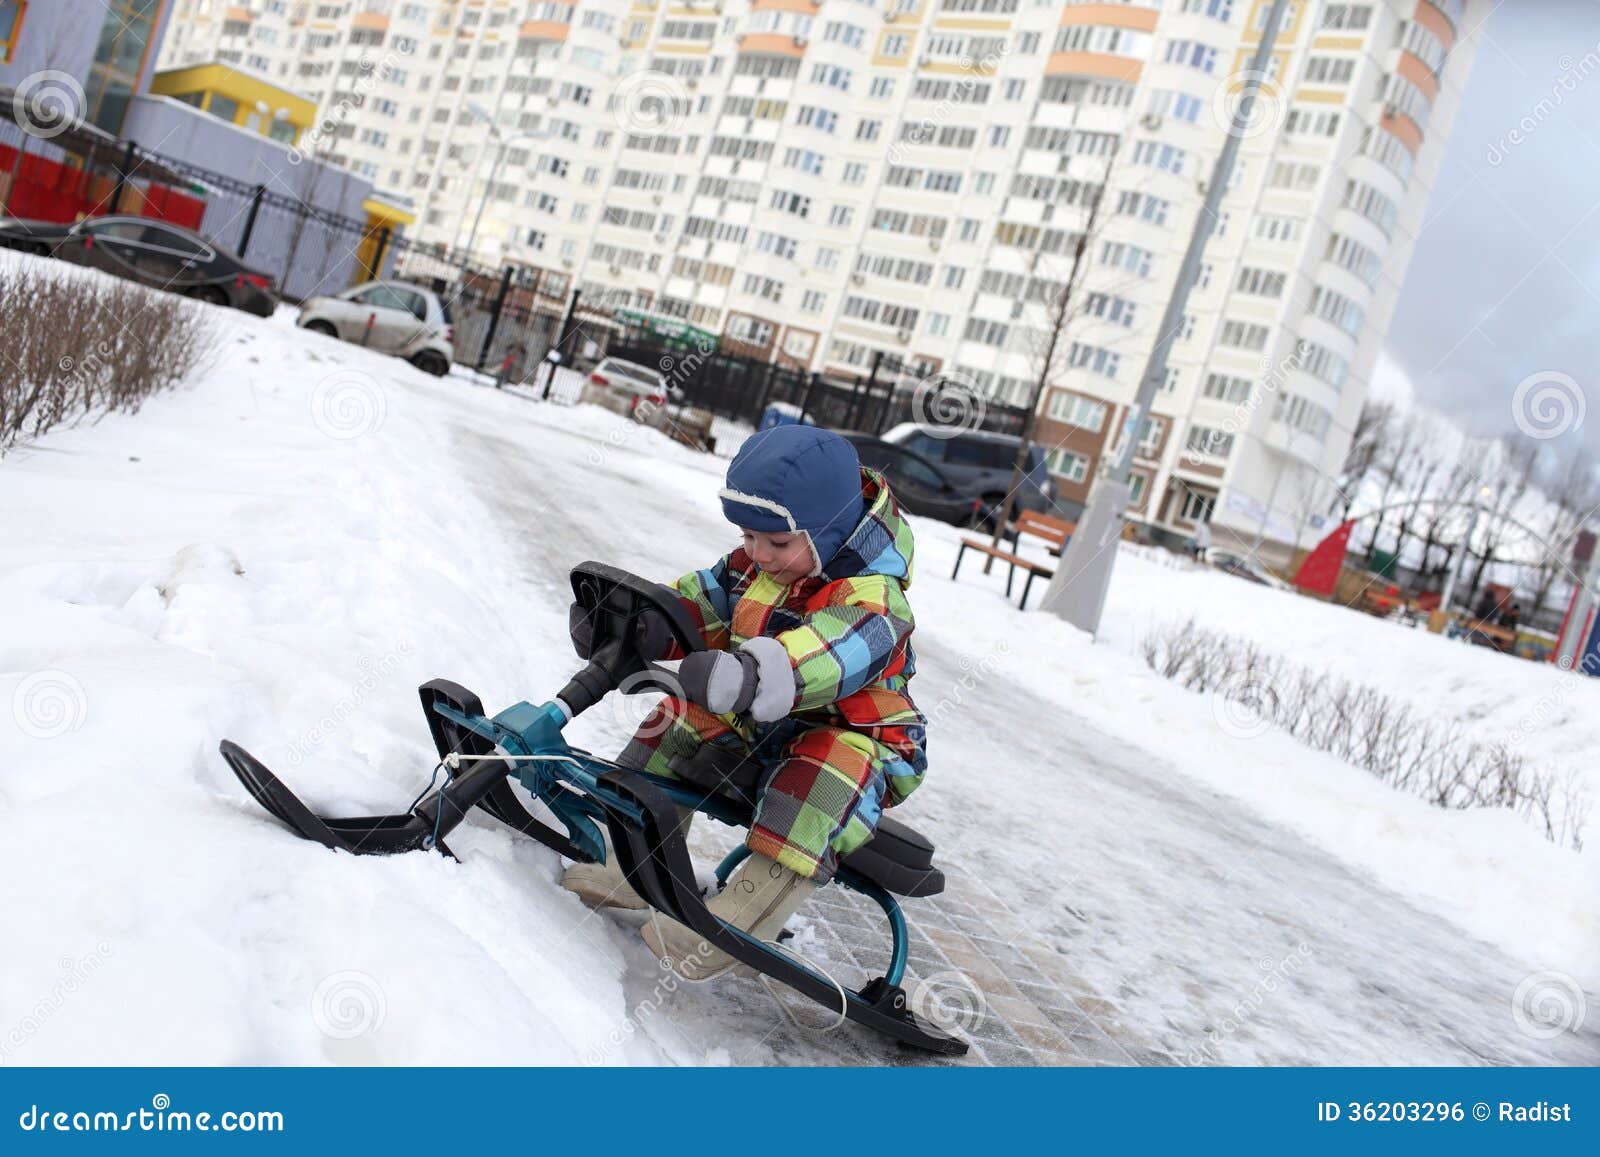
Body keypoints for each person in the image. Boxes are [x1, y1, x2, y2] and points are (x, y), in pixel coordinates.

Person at [561, 425, 928, 979]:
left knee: (820, 771)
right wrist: (641, 626)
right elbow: (697, 606)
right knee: (676, 718)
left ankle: (739, 918)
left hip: (865, 747)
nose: (758, 555)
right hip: (766, 729)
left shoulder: (874, 599)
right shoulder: (757, 564)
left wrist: (753, 676)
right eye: (747, 537)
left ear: (829, 531)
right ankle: (629, 862)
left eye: (777, 543)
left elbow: (828, 656)